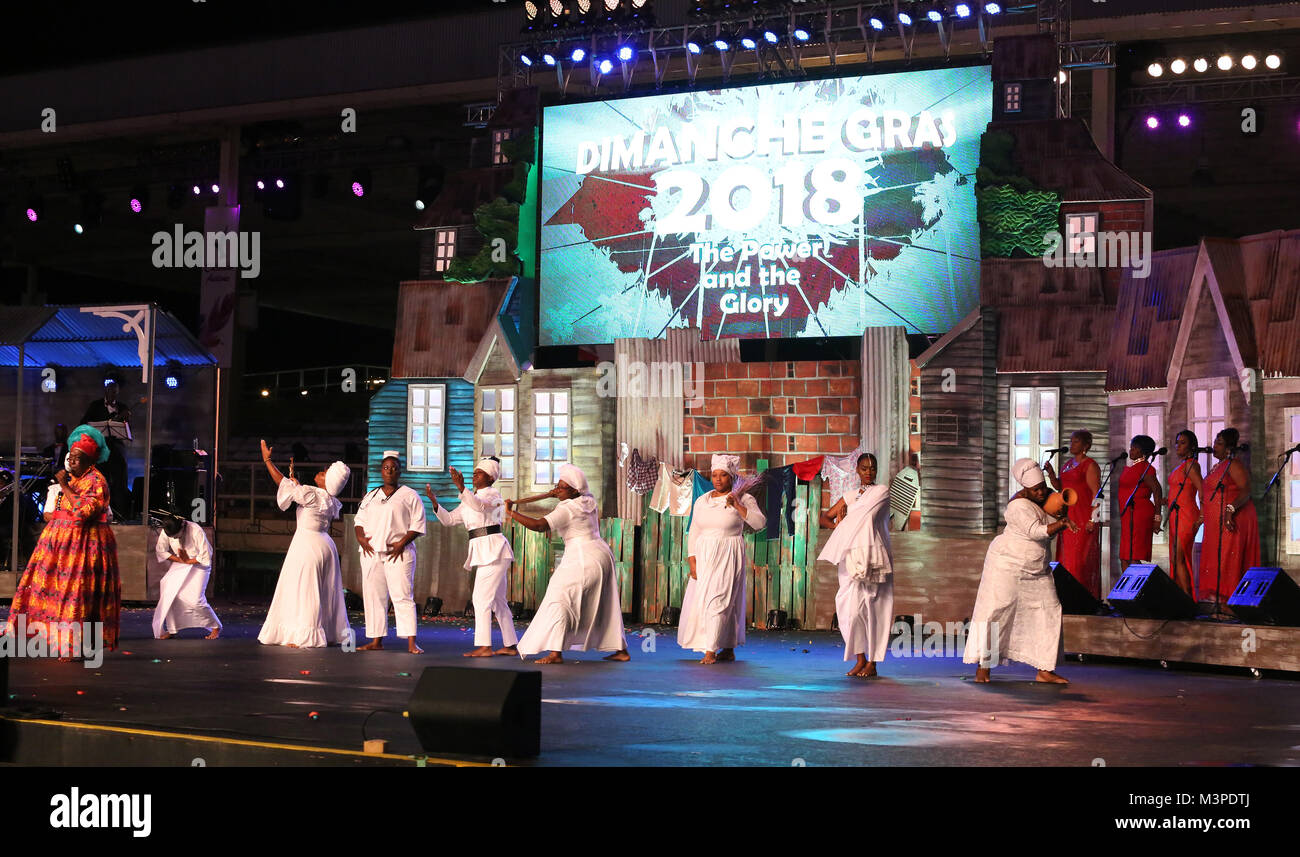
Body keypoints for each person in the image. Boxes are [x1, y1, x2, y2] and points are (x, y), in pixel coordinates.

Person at [5, 425, 121, 657]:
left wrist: (65, 487)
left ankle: (74, 647)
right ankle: (62, 641)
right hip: (64, 547)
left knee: (77, 594)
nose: (73, 463)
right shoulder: (77, 479)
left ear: (90, 461)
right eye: (72, 458)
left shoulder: (96, 481)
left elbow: (83, 512)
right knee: (55, 591)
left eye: (78, 459)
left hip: (86, 547)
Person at [963, 458, 1077, 684]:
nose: (1041, 492)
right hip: (1007, 565)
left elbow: (1049, 526)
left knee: (1050, 609)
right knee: (998, 612)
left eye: (1043, 487)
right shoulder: (1017, 506)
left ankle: (1045, 669)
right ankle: (983, 666)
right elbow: (1036, 531)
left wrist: (1061, 515)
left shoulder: (1044, 497)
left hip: (1037, 570)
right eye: (1036, 489)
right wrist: (1061, 524)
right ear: (1025, 488)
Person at [507, 464, 629, 664]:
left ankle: (555, 653)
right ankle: (621, 650)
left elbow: (539, 526)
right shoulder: (588, 500)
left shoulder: (568, 508)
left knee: (560, 598)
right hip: (601, 553)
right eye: (556, 485)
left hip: (582, 556)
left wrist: (511, 513)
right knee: (606, 603)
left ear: (574, 490)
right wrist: (560, 493)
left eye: (561, 487)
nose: (556, 489)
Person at [257, 440, 352, 648]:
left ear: (328, 482)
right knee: (322, 589)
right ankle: (324, 630)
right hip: (325, 545)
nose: (322, 471)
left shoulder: (310, 492)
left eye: (326, 472)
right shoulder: (330, 499)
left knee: (305, 588)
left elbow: (281, 483)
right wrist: (296, 487)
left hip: (308, 544)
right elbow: (304, 496)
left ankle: (306, 634)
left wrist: (267, 460)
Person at [677, 454, 766, 664]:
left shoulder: (743, 498)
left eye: (723, 475)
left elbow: (759, 522)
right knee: (713, 601)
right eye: (715, 475)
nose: (718, 479)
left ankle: (710, 650)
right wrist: (692, 560)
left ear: (731, 477)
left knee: (720, 599)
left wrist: (737, 505)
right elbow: (695, 530)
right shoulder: (702, 501)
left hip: (728, 553)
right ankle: (727, 646)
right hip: (705, 553)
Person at [425, 457, 518, 657]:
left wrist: (461, 488)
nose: (474, 475)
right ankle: (510, 645)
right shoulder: (469, 499)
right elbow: (449, 520)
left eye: (479, 472)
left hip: (493, 550)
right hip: (485, 551)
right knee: (498, 601)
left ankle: (485, 646)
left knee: (481, 598)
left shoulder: (493, 494)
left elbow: (480, 507)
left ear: (491, 477)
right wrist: (435, 504)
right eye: (474, 472)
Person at [818, 453, 893, 678]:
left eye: (872, 467)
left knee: (873, 608)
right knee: (850, 609)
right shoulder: (850, 496)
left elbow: (866, 519)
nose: (868, 472)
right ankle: (860, 659)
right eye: (863, 468)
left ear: (877, 469)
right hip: (850, 557)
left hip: (873, 557)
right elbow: (824, 518)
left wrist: (844, 521)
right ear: (857, 471)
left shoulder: (881, 492)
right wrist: (838, 525)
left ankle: (873, 661)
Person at [355, 451, 425, 654]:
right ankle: (376, 641)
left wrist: (402, 542)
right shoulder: (371, 495)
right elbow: (359, 521)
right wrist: (360, 538)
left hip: (399, 553)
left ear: (399, 471)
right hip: (371, 553)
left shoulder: (409, 495)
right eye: (386, 468)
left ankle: (412, 642)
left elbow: (418, 524)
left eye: (394, 468)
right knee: (373, 596)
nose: (390, 471)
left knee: (402, 596)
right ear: (381, 471)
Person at [1198, 428, 1259, 606]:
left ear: (1228, 448)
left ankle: (1231, 605)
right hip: (1214, 524)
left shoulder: (1234, 464)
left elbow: (1246, 490)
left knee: (1227, 560)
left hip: (1231, 520)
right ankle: (1218, 604)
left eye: (1219, 443)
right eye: (1215, 442)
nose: (1214, 446)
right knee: (1217, 561)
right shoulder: (1219, 466)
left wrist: (1230, 510)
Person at [1044, 430, 1102, 598]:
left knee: (1079, 560)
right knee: (1067, 559)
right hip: (1068, 516)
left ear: (1086, 446)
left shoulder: (1090, 465)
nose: (1072, 444)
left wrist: (1094, 518)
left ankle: (1083, 598)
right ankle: (1068, 597)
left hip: (1084, 517)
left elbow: (1096, 493)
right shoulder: (1067, 464)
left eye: (1076, 441)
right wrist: (1051, 473)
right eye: (1071, 441)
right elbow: (1061, 488)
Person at [152, 513, 221, 640]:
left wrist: (188, 561)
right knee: (170, 593)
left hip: (199, 565)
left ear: (182, 525)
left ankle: (215, 626)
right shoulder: (167, 529)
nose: (176, 538)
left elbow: (205, 556)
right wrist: (179, 560)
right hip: (181, 564)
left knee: (195, 600)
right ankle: (173, 629)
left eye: (177, 535)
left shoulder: (195, 530)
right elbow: (161, 550)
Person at [81, 380, 132, 521]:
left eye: (115, 392)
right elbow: (84, 423)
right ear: (105, 391)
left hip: (116, 450)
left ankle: (120, 514)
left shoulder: (122, 407)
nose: (112, 394)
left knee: (119, 482)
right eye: (110, 391)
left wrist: (125, 420)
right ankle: (99, 512)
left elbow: (126, 431)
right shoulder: (95, 406)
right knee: (100, 481)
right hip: (100, 451)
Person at [1166, 430, 1203, 598]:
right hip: (1175, 514)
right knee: (1175, 558)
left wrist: (1202, 515)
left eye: (1183, 442)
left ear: (1192, 446)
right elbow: (1178, 492)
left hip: (1187, 514)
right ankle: (1180, 596)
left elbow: (1202, 490)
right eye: (1177, 442)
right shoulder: (1181, 465)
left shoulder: (1191, 465)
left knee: (1179, 556)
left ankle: (1187, 598)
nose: (1178, 445)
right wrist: (1165, 501)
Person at [1117, 434, 1163, 568]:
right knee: (1125, 557)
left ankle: (1140, 588)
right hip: (1127, 515)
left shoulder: (1145, 468)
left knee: (1133, 556)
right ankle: (1126, 589)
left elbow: (1157, 490)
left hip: (1139, 514)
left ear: (1143, 451)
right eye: (1131, 447)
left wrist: (1157, 517)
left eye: (1135, 448)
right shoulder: (1132, 468)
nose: (1131, 450)